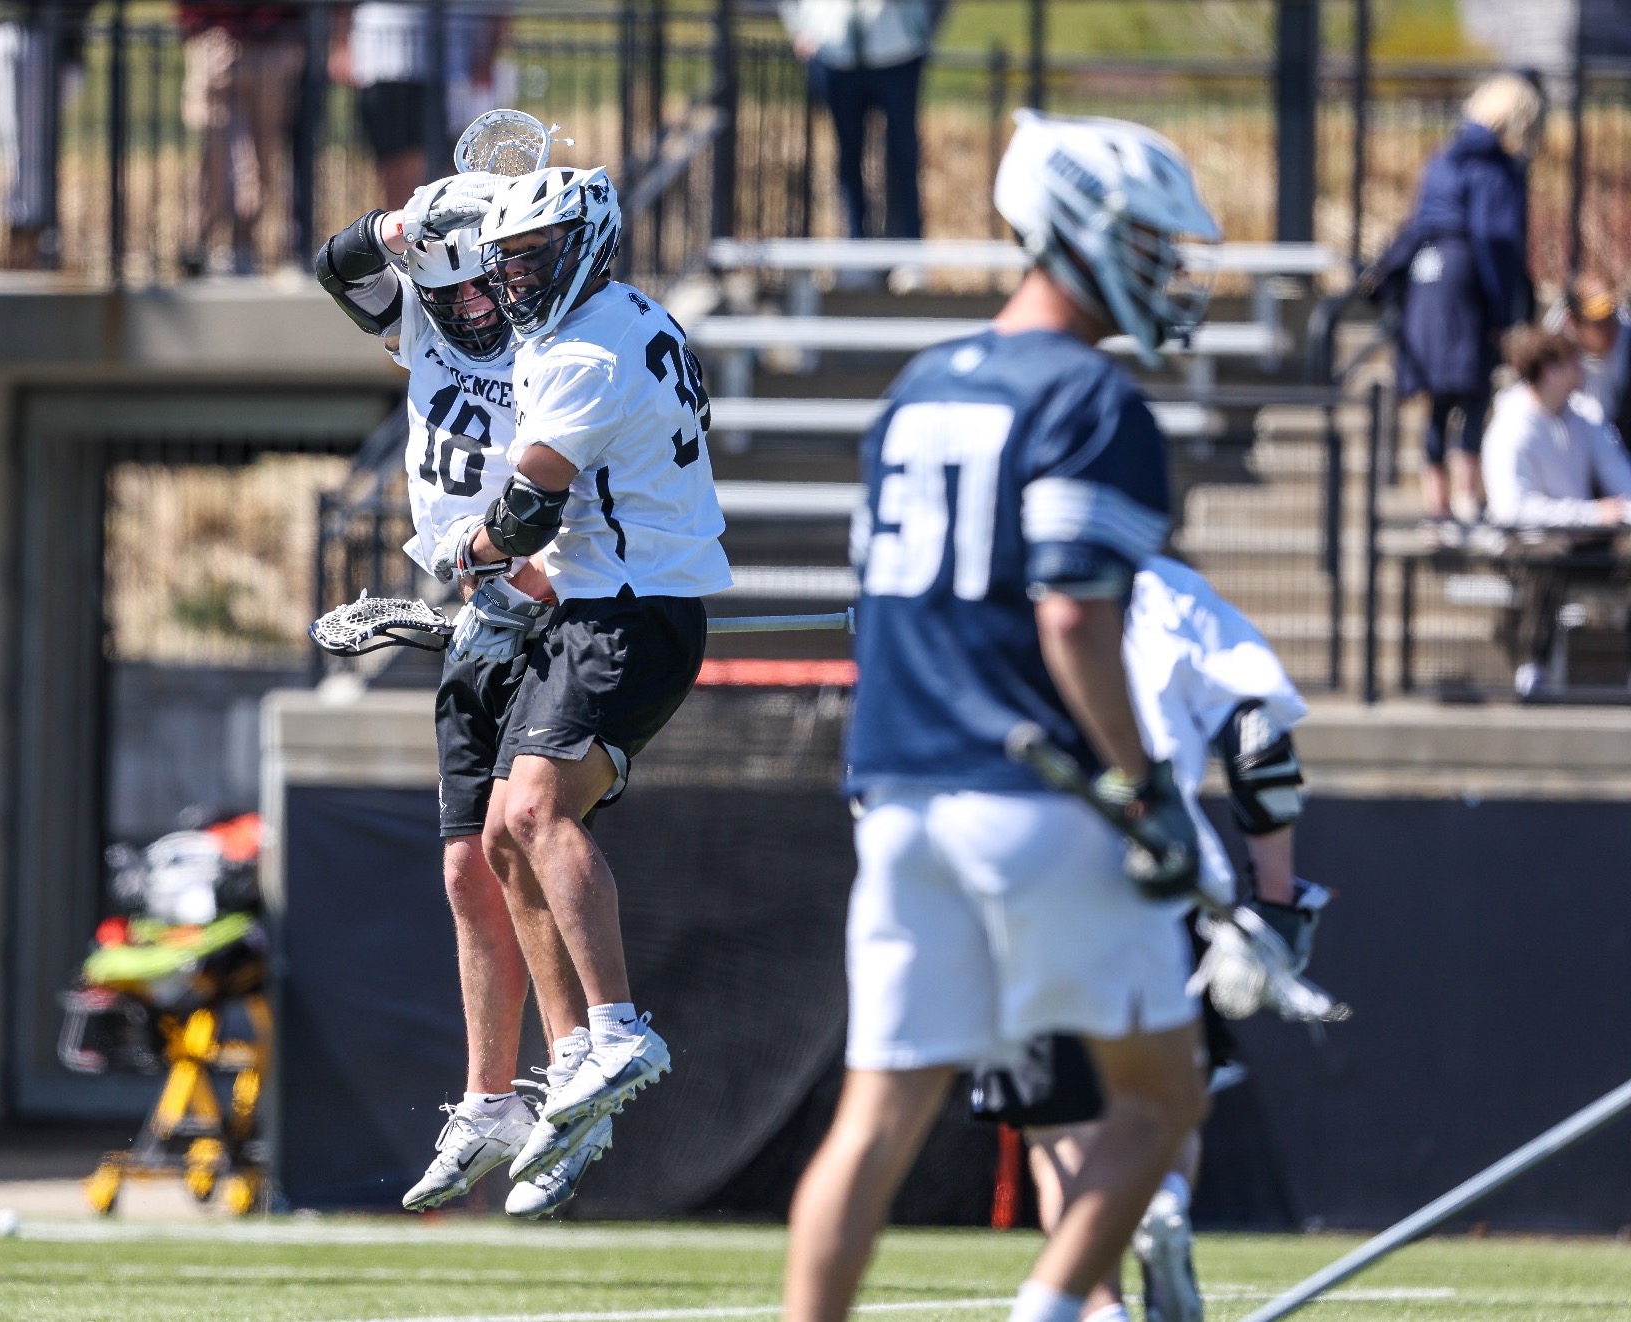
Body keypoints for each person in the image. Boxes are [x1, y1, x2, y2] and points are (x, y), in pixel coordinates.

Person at [780, 109, 1219, 1322]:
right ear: (1074, 227)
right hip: (1039, 797)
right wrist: (1142, 787)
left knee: (872, 1120)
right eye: (1142, 238)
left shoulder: (919, 384)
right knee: (1159, 1096)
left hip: (902, 792)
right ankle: (1050, 1311)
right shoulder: (1090, 397)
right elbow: (1072, 620)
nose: (1164, 266)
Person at [313, 171, 610, 1218]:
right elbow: (335, 267)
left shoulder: (551, 338)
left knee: (515, 833)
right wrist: (385, 227)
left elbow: (571, 481)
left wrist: (527, 581)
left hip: (546, 594)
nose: (475, 311)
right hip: (477, 604)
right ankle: (492, 1097)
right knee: (460, 865)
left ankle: (577, 1060)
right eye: (454, 297)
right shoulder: (423, 330)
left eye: (486, 288)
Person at [452, 163, 731, 1188]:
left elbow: (526, 512)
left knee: (532, 814)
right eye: (507, 260)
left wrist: (469, 553)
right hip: (598, 603)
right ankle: (574, 1052)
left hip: (629, 610)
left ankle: (615, 1028)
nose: (515, 278)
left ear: (584, 242)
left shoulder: (587, 346)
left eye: (531, 256)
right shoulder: (608, 323)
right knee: (498, 834)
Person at [974, 554, 1326, 1322]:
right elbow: (1260, 742)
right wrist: (1276, 902)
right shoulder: (1176, 592)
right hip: (1164, 876)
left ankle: (1097, 1307)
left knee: (1055, 1122)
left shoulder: (983, 569)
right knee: (1159, 1097)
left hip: (1022, 866)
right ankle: (1160, 1198)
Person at [1395, 72, 1541, 539]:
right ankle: (1465, 503)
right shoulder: (1495, 170)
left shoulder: (1442, 159)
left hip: (1428, 281)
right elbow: (1496, 242)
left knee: (1438, 403)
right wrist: (1505, 315)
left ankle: (1434, 510)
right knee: (1474, 396)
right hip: (1467, 287)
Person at [780, 0, 934, 256]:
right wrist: (799, 29)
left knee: (903, 155)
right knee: (848, 156)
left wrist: (922, 29)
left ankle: (910, 249)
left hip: (898, 49)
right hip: (835, 51)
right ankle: (854, 247)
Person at [333, 1, 512, 209]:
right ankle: (402, 236)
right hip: (389, 68)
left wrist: (486, 55)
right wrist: (340, 43)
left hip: (455, 74)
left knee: (455, 176)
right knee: (403, 173)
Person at [178, 0, 303, 277]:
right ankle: (203, 245)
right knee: (214, 152)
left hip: (272, 40)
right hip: (217, 37)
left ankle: (244, 248)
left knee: (263, 156)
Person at [1483, 325, 1631, 533]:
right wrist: (1590, 514)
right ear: (1549, 370)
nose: (1581, 368)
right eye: (1573, 362)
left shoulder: (1585, 414)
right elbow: (1510, 510)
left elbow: (1618, 474)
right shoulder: (1510, 427)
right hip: (1526, 550)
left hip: (1580, 544)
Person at [0, 0, 92, 269]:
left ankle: (33, 243)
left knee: (33, 150)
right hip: (25, 33)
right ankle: (25, 244)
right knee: (22, 149)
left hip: (57, 40)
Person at [1555, 274, 1631, 437]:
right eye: (1598, 323)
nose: (1610, 327)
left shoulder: (1627, 341)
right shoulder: (1555, 352)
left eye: (1611, 316)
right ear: (1573, 322)